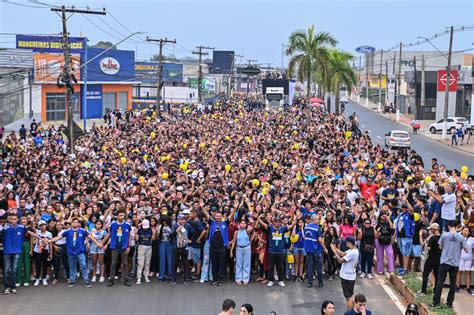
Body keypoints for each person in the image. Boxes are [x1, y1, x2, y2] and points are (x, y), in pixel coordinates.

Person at [47, 217, 101, 287]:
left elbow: (91, 237)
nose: (74, 223)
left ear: (78, 223)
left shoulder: (83, 230)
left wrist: (97, 244)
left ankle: (86, 281)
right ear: (71, 223)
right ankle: (72, 280)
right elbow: (58, 237)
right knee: (72, 267)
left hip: (80, 252)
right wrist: (49, 241)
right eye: (73, 222)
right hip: (71, 253)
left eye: (76, 222)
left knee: (84, 266)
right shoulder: (67, 231)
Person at [431, 220, 468, 308]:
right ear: (456, 226)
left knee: (440, 282)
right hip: (455, 263)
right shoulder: (460, 237)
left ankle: (436, 302)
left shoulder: (444, 235)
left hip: (444, 262)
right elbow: (466, 250)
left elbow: (440, 247)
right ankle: (449, 303)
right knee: (452, 284)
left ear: (448, 226)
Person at [257, 213, 296, 288]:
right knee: (271, 267)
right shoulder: (270, 228)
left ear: (280, 222)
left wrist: (295, 220)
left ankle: (280, 281)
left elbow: (291, 226)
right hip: (272, 251)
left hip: (280, 251)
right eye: (276, 222)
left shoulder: (283, 228)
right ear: (273, 222)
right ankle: (271, 281)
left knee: (279, 267)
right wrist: (258, 218)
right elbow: (262, 224)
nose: (277, 223)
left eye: (279, 222)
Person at [102, 210, 133, 287]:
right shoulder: (113, 225)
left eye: (123, 215)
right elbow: (109, 234)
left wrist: (129, 246)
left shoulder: (127, 225)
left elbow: (129, 235)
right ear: (117, 216)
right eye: (120, 215)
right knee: (113, 263)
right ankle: (111, 279)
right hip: (114, 246)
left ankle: (126, 278)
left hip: (124, 246)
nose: (121, 217)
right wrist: (103, 243)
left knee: (125, 263)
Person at [331, 236, 359, 310]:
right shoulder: (352, 250)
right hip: (349, 276)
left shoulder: (353, 253)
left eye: (347, 242)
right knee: (349, 296)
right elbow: (343, 254)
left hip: (347, 277)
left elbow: (340, 260)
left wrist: (334, 251)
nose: (346, 243)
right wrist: (336, 249)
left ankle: (349, 312)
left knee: (348, 297)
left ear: (350, 243)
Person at [169, 213, 194, 286]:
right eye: (180, 219)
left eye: (183, 219)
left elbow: (193, 232)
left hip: (185, 247)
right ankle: (174, 280)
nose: (182, 221)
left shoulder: (187, 225)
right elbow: (170, 235)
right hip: (176, 247)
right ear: (178, 220)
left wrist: (190, 240)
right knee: (175, 264)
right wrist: (176, 230)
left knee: (185, 264)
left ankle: (186, 279)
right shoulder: (175, 225)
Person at [304, 214, 327, 288]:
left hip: (308, 250)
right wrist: (324, 248)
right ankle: (320, 282)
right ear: (314, 220)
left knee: (310, 267)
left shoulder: (306, 227)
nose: (319, 220)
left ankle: (310, 283)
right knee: (318, 267)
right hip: (317, 250)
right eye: (318, 219)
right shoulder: (317, 228)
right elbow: (320, 240)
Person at [418, 223, 441, 295]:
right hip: (439, 259)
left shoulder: (432, 238)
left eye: (431, 229)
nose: (430, 231)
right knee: (437, 275)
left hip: (431, 258)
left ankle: (423, 290)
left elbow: (428, 248)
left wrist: (426, 244)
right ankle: (436, 291)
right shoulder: (441, 237)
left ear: (434, 229)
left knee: (425, 274)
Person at [230, 218, 253, 285]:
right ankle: (238, 278)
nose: (242, 224)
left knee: (246, 263)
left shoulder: (247, 231)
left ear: (246, 225)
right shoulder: (236, 232)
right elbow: (234, 242)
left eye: (244, 223)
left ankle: (245, 278)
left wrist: (252, 222)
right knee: (238, 264)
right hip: (239, 248)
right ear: (239, 224)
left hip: (247, 248)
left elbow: (252, 228)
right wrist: (231, 251)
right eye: (241, 223)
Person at [395, 202, 415, 276]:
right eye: (403, 207)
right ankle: (404, 267)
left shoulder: (410, 215)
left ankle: (406, 269)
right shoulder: (400, 215)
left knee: (406, 253)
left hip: (407, 237)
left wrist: (406, 201)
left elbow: (412, 210)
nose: (404, 209)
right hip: (400, 236)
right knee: (403, 253)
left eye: (405, 207)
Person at [135, 219, 156, 285]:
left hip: (149, 247)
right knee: (140, 263)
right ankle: (139, 277)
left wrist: (154, 233)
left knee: (147, 262)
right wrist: (136, 233)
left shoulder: (150, 230)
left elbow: (153, 239)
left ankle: (146, 276)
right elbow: (136, 239)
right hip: (141, 246)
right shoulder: (139, 230)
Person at [456, 226, 473, 294]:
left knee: (468, 272)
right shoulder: (459, 238)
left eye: (467, 231)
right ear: (462, 231)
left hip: (468, 258)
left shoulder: (471, 239)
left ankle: (468, 287)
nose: (465, 232)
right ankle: (457, 286)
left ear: (469, 232)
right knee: (459, 272)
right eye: (464, 230)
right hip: (460, 258)